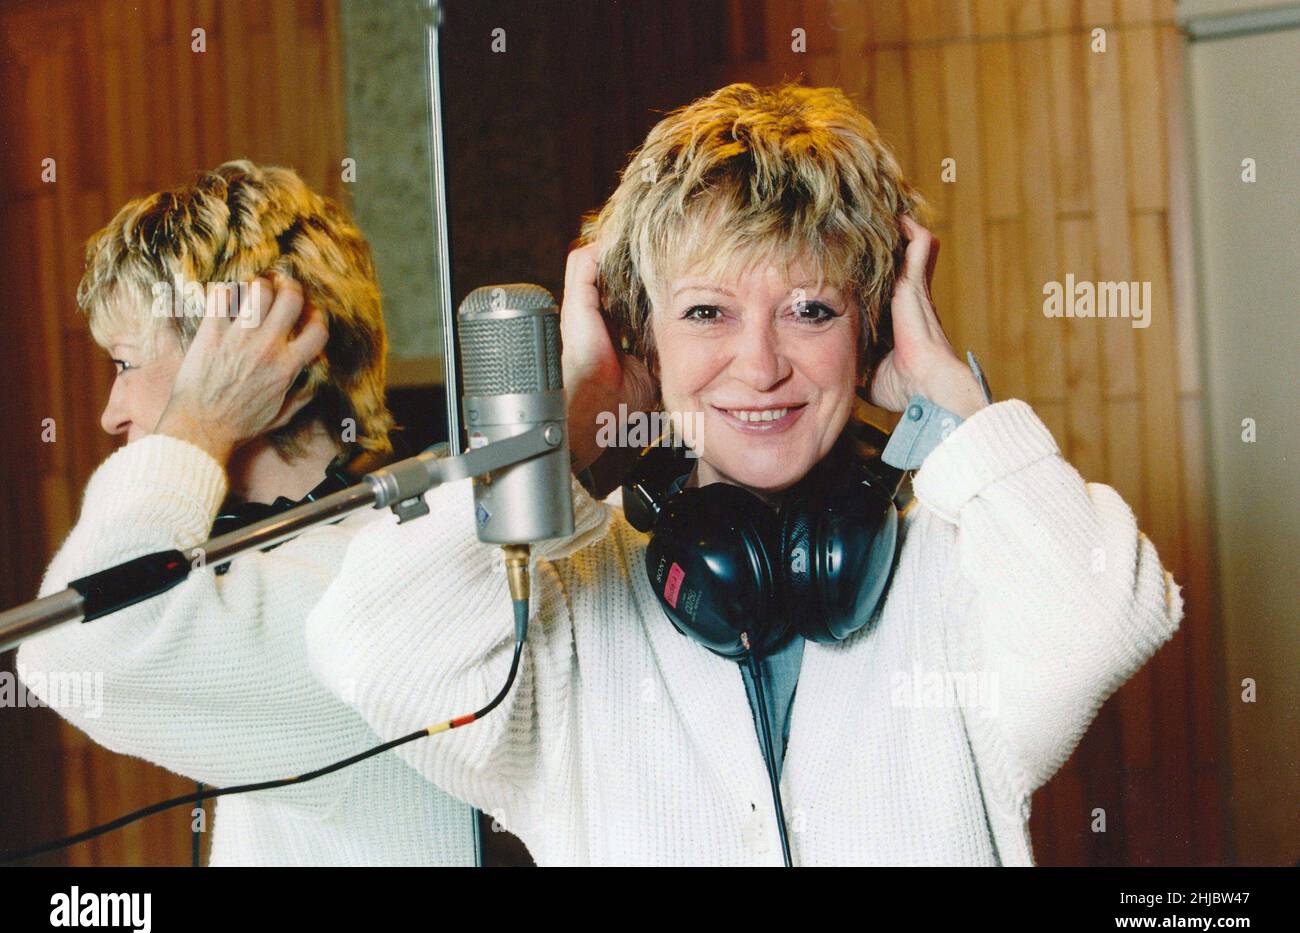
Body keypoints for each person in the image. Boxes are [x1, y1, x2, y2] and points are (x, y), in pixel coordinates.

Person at [304, 84, 1185, 865]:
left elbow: (1107, 615)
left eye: (810, 309)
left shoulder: (953, 573)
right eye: (706, 312)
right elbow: (364, 646)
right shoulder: (564, 607)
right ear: (641, 337)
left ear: (872, 328)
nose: (759, 366)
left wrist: (951, 406)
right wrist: (568, 427)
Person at [17, 160, 477, 865]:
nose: (112, 413)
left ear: (254, 350)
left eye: (126, 363)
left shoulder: (365, 582)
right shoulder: (305, 557)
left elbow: (74, 646)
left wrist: (199, 422)